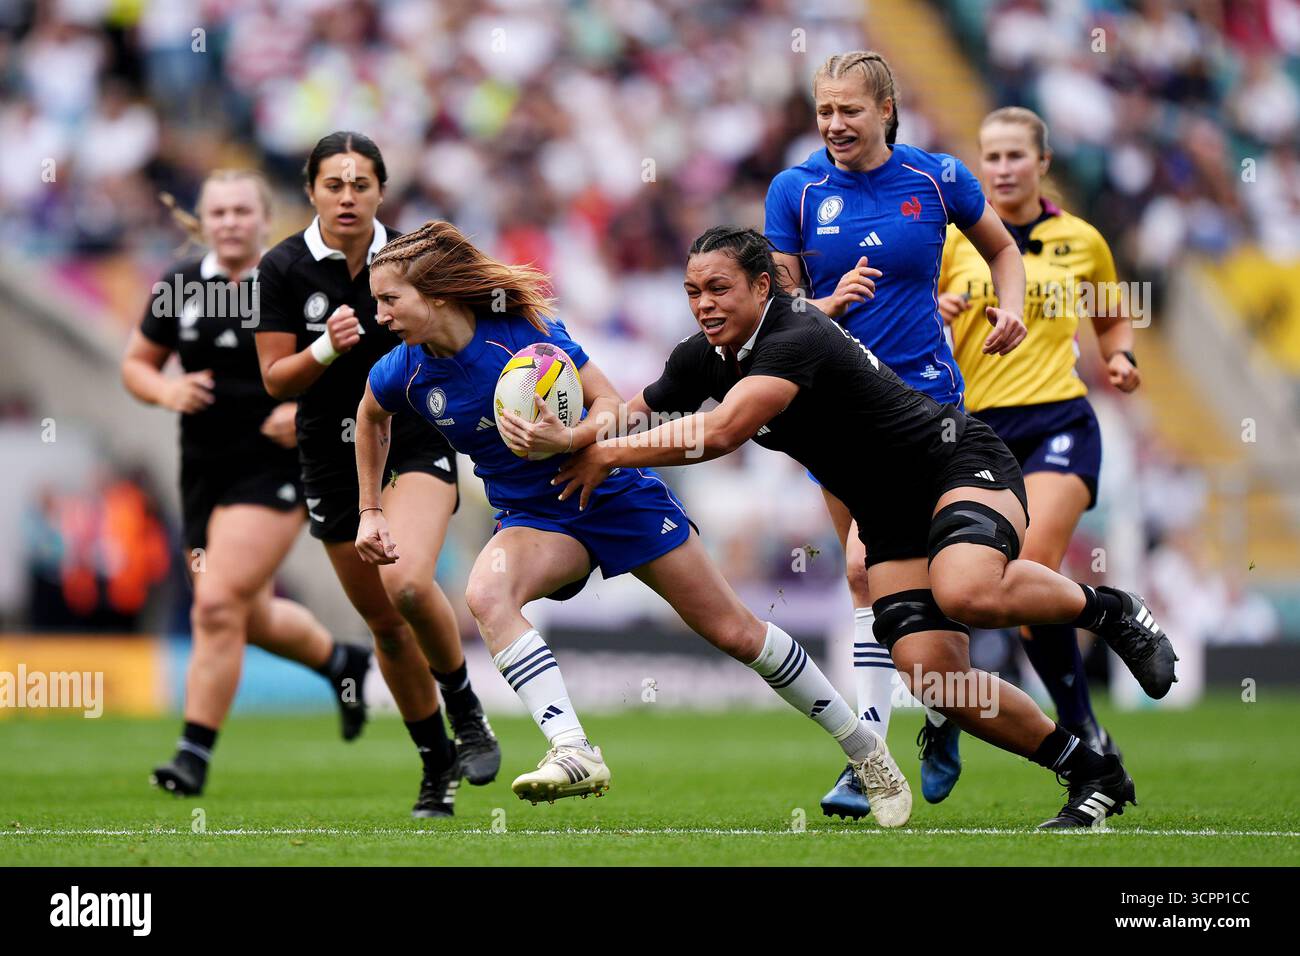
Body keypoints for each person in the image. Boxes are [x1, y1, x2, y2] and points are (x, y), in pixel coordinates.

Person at [556, 227, 1178, 828]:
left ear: (763, 286)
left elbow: (721, 432)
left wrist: (606, 455)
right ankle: (1092, 774)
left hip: (955, 464)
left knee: (967, 590)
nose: (704, 304)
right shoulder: (701, 357)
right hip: (887, 517)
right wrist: (573, 437)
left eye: (718, 288)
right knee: (935, 679)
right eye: (693, 292)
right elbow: (635, 411)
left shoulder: (795, 334)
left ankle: (1112, 610)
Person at [353, 220, 915, 826]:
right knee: (487, 593)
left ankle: (866, 752)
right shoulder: (401, 371)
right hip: (534, 516)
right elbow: (369, 420)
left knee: (736, 633)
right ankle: (572, 751)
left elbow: (614, 407)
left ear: (435, 296)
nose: (379, 314)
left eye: (390, 299)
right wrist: (370, 509)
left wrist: (567, 437)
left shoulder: (520, 334)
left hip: (615, 494)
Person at [764, 50, 1028, 816]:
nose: (835, 124)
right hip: (837, 414)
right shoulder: (797, 189)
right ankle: (942, 708)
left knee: (863, 565)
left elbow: (1004, 248)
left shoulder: (936, 178)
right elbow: (780, 317)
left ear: (886, 110)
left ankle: (868, 756)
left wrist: (1009, 305)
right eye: (824, 110)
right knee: (876, 583)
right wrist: (829, 303)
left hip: (927, 411)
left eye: (850, 109)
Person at [253, 133, 498, 819]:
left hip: (415, 435)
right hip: (329, 457)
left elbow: (478, 318)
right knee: (385, 624)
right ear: (311, 191)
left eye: (362, 183)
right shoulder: (280, 268)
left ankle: (467, 708)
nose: (348, 195)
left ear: (382, 191)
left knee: (410, 583)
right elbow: (275, 380)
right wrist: (326, 346)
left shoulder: (416, 260)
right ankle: (436, 763)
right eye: (334, 184)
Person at [122, 169, 369, 796]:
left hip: (278, 463)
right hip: (204, 466)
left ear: (265, 218)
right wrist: (167, 389)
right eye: (219, 212)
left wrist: (305, 409)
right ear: (203, 222)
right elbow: (136, 366)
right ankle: (341, 662)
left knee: (215, 604)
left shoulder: (287, 280)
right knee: (244, 614)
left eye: (242, 210)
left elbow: (348, 363)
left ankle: (192, 755)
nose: (230, 221)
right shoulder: (180, 285)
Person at [938, 106, 1142, 768]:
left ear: (1043, 163)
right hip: (979, 433)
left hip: (1059, 421)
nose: (1000, 169)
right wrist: (933, 311)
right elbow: (908, 323)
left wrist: (1120, 357)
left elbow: (1114, 318)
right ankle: (950, 710)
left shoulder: (1082, 240)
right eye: (989, 157)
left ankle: (1080, 725)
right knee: (978, 586)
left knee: (1029, 567)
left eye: (1014, 156)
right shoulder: (951, 242)